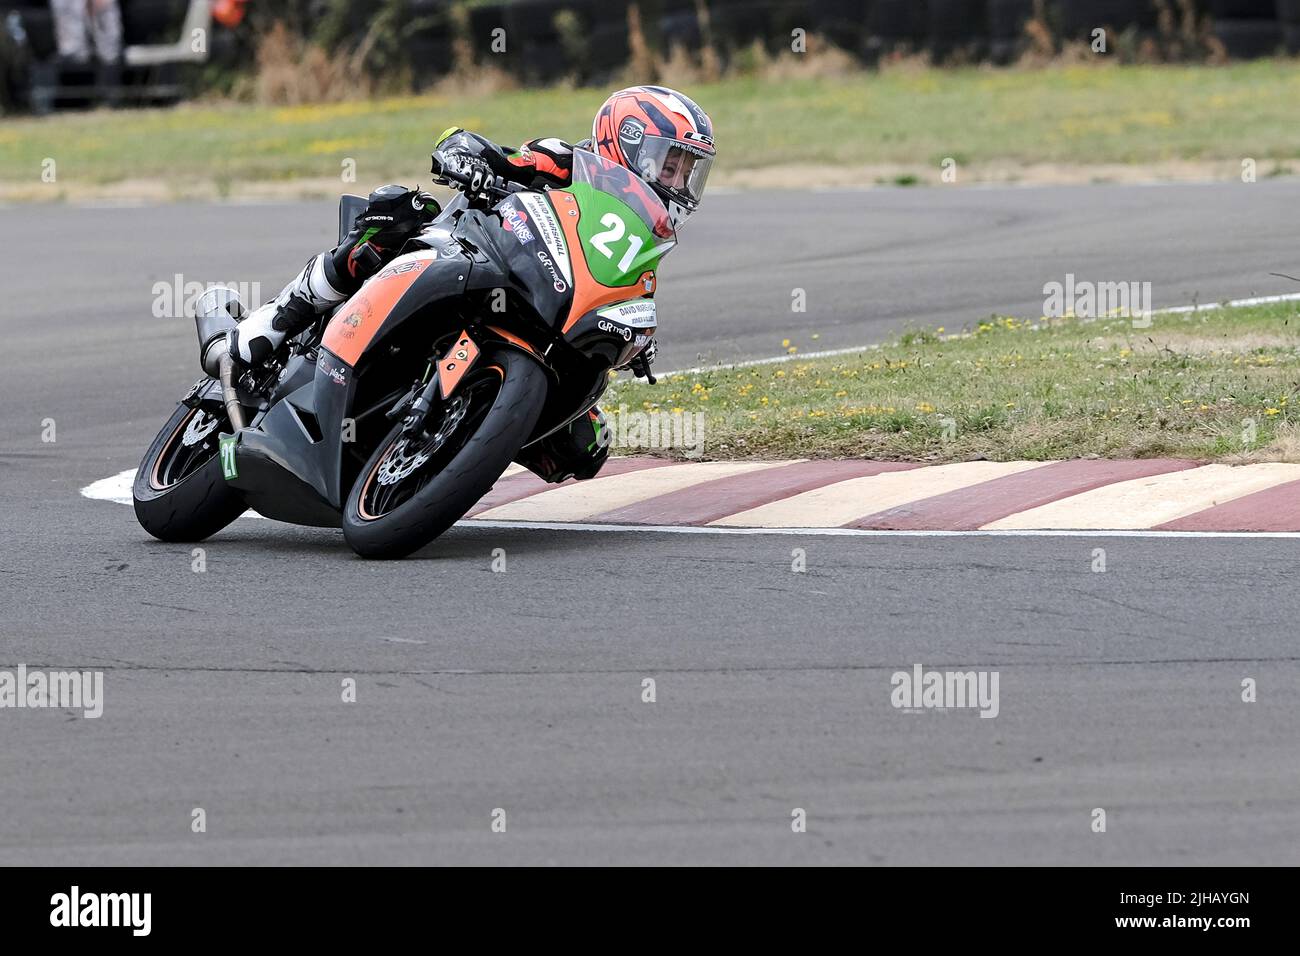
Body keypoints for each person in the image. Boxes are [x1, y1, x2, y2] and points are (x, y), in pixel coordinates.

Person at [220, 85, 716, 482]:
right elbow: (505, 157)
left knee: (587, 448)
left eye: (690, 170)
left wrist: (635, 343)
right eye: (672, 162)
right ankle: (276, 320)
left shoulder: (646, 242)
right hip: (467, 249)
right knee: (396, 211)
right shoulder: (567, 160)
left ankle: (456, 442)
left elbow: (628, 291)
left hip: (537, 312)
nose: (679, 179)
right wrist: (470, 156)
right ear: (625, 140)